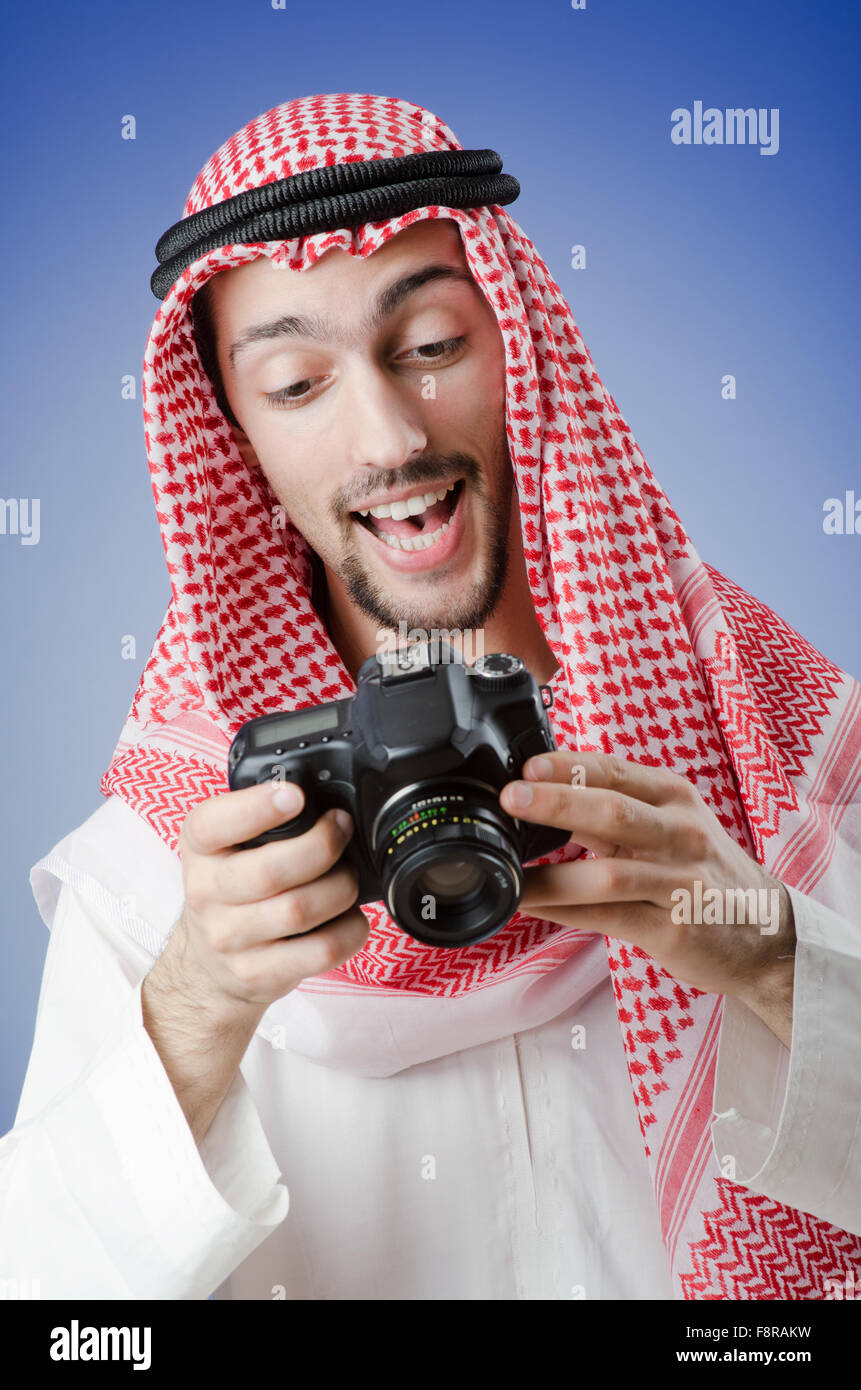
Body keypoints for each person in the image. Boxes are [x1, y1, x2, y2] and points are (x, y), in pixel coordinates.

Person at [2, 92, 859, 1302]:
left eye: (434, 346)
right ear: (234, 437)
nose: (389, 435)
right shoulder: (166, 857)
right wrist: (193, 1010)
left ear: (522, 344)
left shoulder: (770, 725)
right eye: (298, 383)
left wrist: (774, 951)